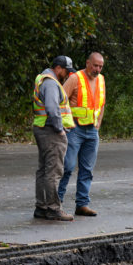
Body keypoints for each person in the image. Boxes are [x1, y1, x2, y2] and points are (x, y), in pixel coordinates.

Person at [58, 52, 106, 218]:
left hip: (92, 131)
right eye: (95, 65)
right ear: (87, 63)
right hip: (75, 129)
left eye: (100, 66)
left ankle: (82, 204)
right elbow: (60, 100)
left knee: (87, 169)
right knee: (67, 167)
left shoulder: (101, 80)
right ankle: (56, 203)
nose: (97, 69)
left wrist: (98, 122)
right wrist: (66, 124)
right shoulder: (75, 78)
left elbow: (102, 103)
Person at [33, 55, 76, 221]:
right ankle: (53, 208)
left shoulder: (43, 79)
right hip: (51, 131)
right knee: (53, 171)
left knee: (43, 170)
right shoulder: (51, 82)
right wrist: (60, 129)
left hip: (42, 128)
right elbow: (52, 107)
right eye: (66, 71)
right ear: (58, 68)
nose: (67, 74)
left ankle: (41, 207)